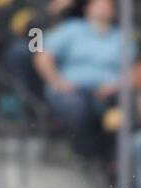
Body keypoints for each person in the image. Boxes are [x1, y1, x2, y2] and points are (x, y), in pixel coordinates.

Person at [34, 0, 131, 157]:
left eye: (106, 6)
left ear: (114, 12)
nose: (102, 10)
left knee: (121, 113)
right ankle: (82, 152)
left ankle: (109, 160)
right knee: (75, 107)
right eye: (97, 5)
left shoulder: (122, 37)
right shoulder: (71, 29)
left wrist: (116, 85)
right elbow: (43, 57)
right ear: (87, 8)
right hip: (72, 90)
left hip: (110, 93)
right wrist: (57, 82)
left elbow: (136, 69)